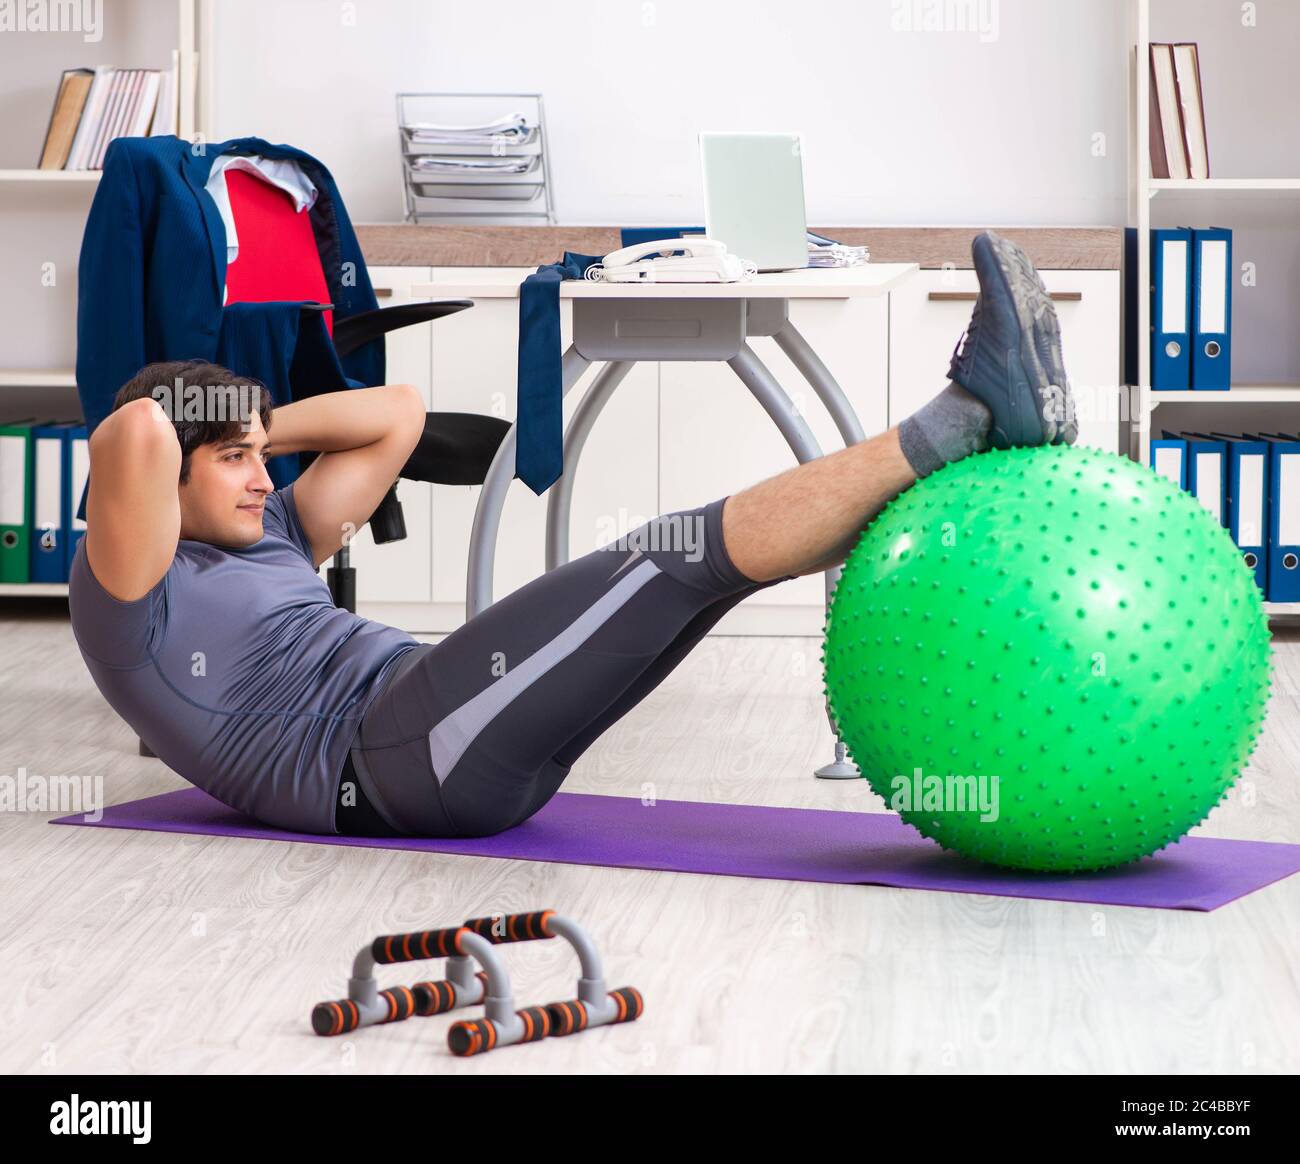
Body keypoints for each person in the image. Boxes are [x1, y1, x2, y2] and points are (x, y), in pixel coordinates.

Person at [68, 230, 1077, 838]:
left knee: (702, 578)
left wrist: (252, 431)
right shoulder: (130, 590)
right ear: (163, 487)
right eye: (233, 462)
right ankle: (962, 420)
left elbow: (399, 412)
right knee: (673, 555)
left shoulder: (278, 527)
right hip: (391, 765)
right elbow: (136, 429)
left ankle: (984, 423)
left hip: (444, 731)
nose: (262, 476)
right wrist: (207, 427)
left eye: (260, 457)